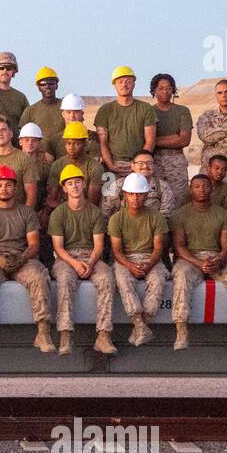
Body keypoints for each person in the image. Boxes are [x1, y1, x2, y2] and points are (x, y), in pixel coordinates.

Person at [169, 174, 227, 350]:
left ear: (211, 189)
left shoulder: (223, 214)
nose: (201, 190)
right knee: (180, 276)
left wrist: (219, 261)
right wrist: (199, 262)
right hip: (189, 258)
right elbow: (179, 246)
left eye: (205, 186)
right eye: (197, 186)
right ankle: (181, 332)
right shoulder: (179, 215)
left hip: (216, 257)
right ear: (190, 189)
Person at [0, 164, 55, 353]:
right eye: (0, 185)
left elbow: (33, 244)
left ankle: (43, 332)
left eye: (8, 185)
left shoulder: (26, 212)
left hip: (21, 259)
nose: (4, 189)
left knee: (38, 277)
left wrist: (22, 258)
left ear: (15, 188)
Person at [48, 164, 116, 356]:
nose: (75, 187)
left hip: (91, 256)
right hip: (67, 258)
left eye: (78, 182)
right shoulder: (58, 214)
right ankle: (65, 334)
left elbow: (99, 245)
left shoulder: (94, 212)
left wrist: (91, 263)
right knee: (64, 280)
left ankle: (103, 335)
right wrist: (76, 264)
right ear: (64, 188)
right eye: (70, 183)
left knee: (106, 278)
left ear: (84, 184)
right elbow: (58, 248)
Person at [108, 173, 169, 347]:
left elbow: (159, 248)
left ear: (146, 195)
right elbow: (117, 251)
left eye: (139, 194)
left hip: (151, 258)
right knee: (122, 279)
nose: (135, 198)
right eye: (131, 194)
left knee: (158, 279)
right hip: (125, 259)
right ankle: (138, 322)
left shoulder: (156, 217)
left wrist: (149, 265)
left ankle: (142, 325)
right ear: (125, 195)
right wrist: (130, 266)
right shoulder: (116, 219)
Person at [94, 66, 156, 177]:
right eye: (120, 82)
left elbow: (150, 141)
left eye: (128, 81)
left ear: (134, 84)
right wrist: (111, 165)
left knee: (141, 194)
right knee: (111, 194)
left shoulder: (146, 109)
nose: (124, 85)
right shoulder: (105, 110)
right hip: (113, 164)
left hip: (139, 166)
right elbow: (103, 143)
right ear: (114, 85)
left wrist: (139, 164)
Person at [149, 73, 191, 210]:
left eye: (168, 88)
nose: (165, 91)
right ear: (154, 90)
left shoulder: (182, 111)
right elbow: (144, 139)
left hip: (176, 161)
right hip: (154, 161)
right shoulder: (148, 112)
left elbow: (184, 139)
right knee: (156, 200)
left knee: (180, 200)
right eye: (160, 88)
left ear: (173, 90)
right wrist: (174, 137)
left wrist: (154, 140)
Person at [100, 149, 174, 219]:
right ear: (132, 165)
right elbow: (107, 212)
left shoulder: (162, 187)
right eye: (140, 163)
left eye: (149, 163)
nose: (145, 166)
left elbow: (166, 214)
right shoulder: (119, 185)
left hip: (153, 227)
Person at [196, 79, 227, 187]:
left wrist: (215, 139)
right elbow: (205, 137)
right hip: (208, 176)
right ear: (216, 95)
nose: (223, 95)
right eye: (220, 93)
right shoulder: (207, 116)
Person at [47, 123, 104, 212]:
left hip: (86, 210)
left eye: (77, 144)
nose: (71, 148)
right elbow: (51, 199)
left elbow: (92, 202)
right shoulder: (57, 165)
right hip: (61, 210)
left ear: (85, 144)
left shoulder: (94, 167)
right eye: (68, 143)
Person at [45, 93, 100, 161]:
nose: (72, 116)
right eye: (68, 112)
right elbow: (48, 165)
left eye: (76, 112)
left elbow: (95, 163)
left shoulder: (93, 137)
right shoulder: (54, 141)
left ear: (82, 114)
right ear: (63, 114)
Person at [19, 67, 64, 141]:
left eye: (51, 83)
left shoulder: (66, 108)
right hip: (40, 152)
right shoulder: (30, 111)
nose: (47, 86)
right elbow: (23, 136)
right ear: (39, 88)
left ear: (56, 86)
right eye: (43, 84)